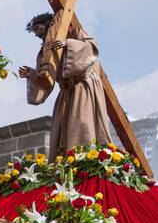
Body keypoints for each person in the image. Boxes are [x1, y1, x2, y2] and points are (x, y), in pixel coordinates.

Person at [18, 9, 110, 159]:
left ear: (48, 23)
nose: (36, 34)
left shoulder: (73, 31)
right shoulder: (44, 53)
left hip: (82, 86)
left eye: (38, 29)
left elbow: (91, 46)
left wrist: (67, 44)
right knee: (62, 131)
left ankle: (87, 162)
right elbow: (46, 83)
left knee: (82, 125)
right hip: (66, 93)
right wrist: (32, 74)